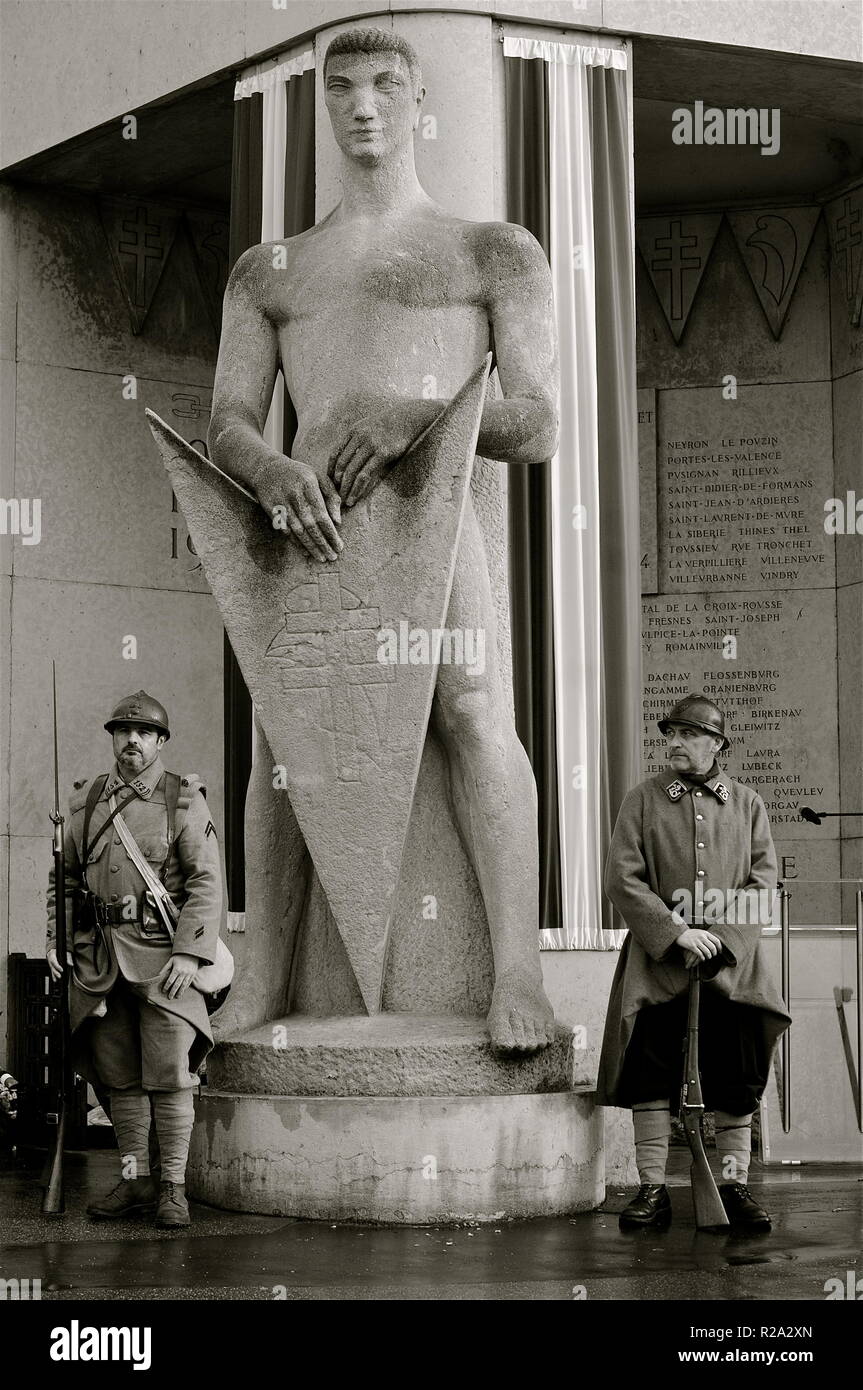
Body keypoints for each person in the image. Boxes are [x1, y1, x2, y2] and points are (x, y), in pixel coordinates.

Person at [207, 26, 560, 1051]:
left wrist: (411, 416)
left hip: (432, 518)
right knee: (282, 736)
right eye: (343, 89)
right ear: (325, 107)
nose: (362, 106)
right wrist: (271, 470)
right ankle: (264, 974)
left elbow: (535, 424)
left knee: (473, 706)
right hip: (312, 526)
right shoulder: (270, 270)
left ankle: (516, 974)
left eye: (385, 87)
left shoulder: (486, 249)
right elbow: (227, 418)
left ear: (418, 108)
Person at [596, 694, 791, 1231]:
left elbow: (763, 882)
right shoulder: (643, 800)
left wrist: (722, 938)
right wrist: (677, 932)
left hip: (732, 970)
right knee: (651, 1075)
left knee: (737, 1076)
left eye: (688, 734)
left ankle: (734, 1189)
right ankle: (652, 1190)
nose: (675, 742)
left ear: (716, 744)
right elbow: (622, 878)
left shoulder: (748, 804)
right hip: (659, 966)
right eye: (670, 734)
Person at [46, 691, 223, 1228]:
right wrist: (60, 943)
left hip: (166, 964)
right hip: (101, 964)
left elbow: (206, 882)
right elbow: (65, 882)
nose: (132, 741)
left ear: (160, 741)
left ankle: (172, 1188)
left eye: (143, 733)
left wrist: (192, 955)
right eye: (122, 731)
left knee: (169, 1077)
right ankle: (133, 1180)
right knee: (119, 1079)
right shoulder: (86, 802)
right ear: (112, 738)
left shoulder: (183, 799)